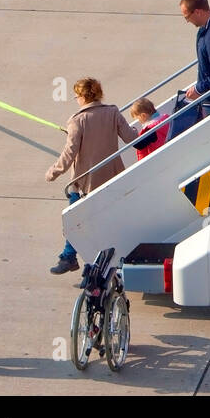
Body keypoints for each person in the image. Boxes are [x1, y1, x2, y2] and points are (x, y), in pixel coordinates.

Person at [45, 77, 136, 273]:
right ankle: (86, 265)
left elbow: (70, 153)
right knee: (100, 225)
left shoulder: (77, 120)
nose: (76, 99)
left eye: (76, 96)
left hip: (84, 183)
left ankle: (71, 258)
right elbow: (130, 137)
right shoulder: (112, 112)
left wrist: (54, 171)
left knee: (74, 223)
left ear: (83, 97)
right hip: (111, 179)